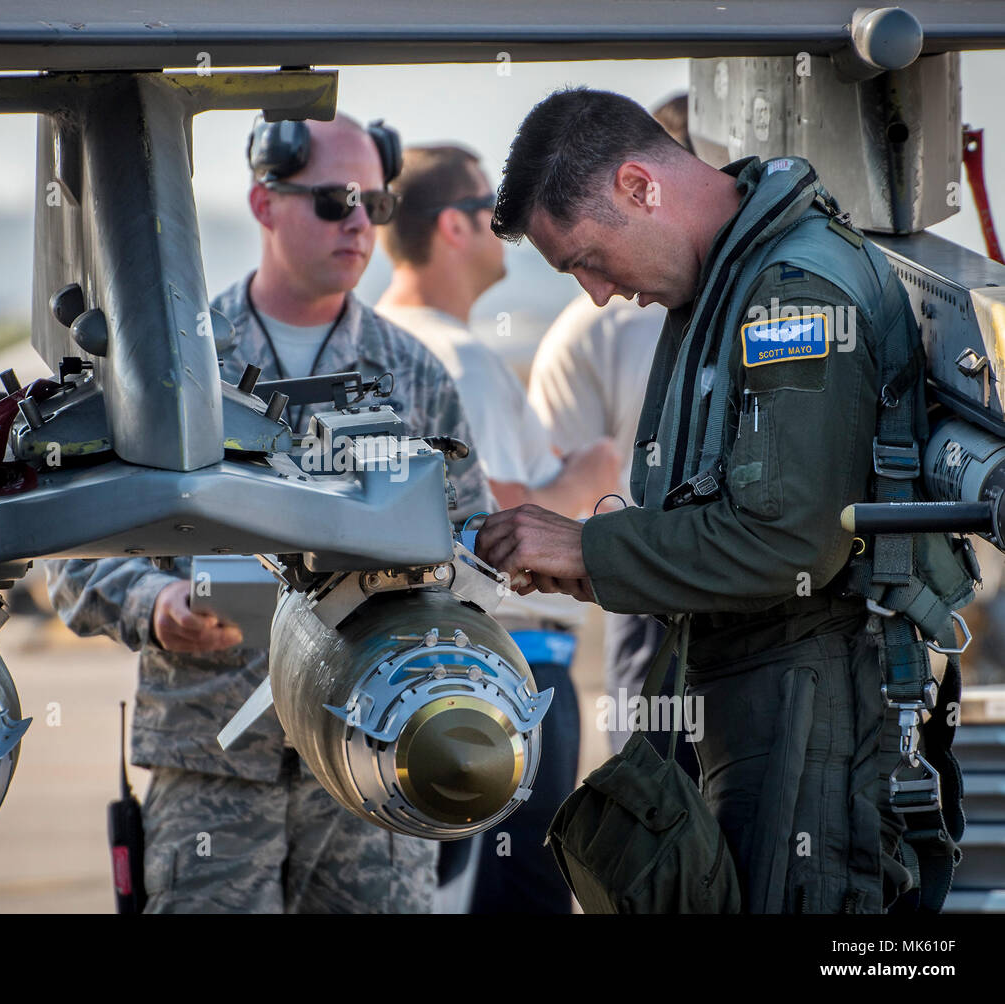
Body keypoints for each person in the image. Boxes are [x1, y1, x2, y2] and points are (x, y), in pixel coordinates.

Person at [475, 86, 951, 914]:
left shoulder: (791, 291)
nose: (594, 294)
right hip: (767, 702)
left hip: (817, 719)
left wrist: (588, 550)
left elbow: (793, 543)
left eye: (586, 258)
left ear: (638, 186)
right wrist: (604, 561)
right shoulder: (724, 282)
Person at [43, 113, 492, 913]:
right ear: (263, 201)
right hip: (214, 764)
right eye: (334, 201)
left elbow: (471, 553)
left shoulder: (414, 374)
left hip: (372, 758)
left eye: (375, 206)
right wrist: (157, 606)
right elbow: (72, 553)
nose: (358, 223)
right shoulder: (169, 368)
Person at [376, 144, 611, 914]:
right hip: (514, 674)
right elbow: (495, 519)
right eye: (489, 212)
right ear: (451, 227)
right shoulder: (462, 359)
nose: (504, 230)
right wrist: (590, 473)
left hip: (410, 680)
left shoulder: (371, 342)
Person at [526, 94, 695, 773]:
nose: (602, 288)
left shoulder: (581, 332)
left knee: (649, 810)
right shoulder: (594, 330)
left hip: (645, 595)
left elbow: (552, 500)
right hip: (649, 594)